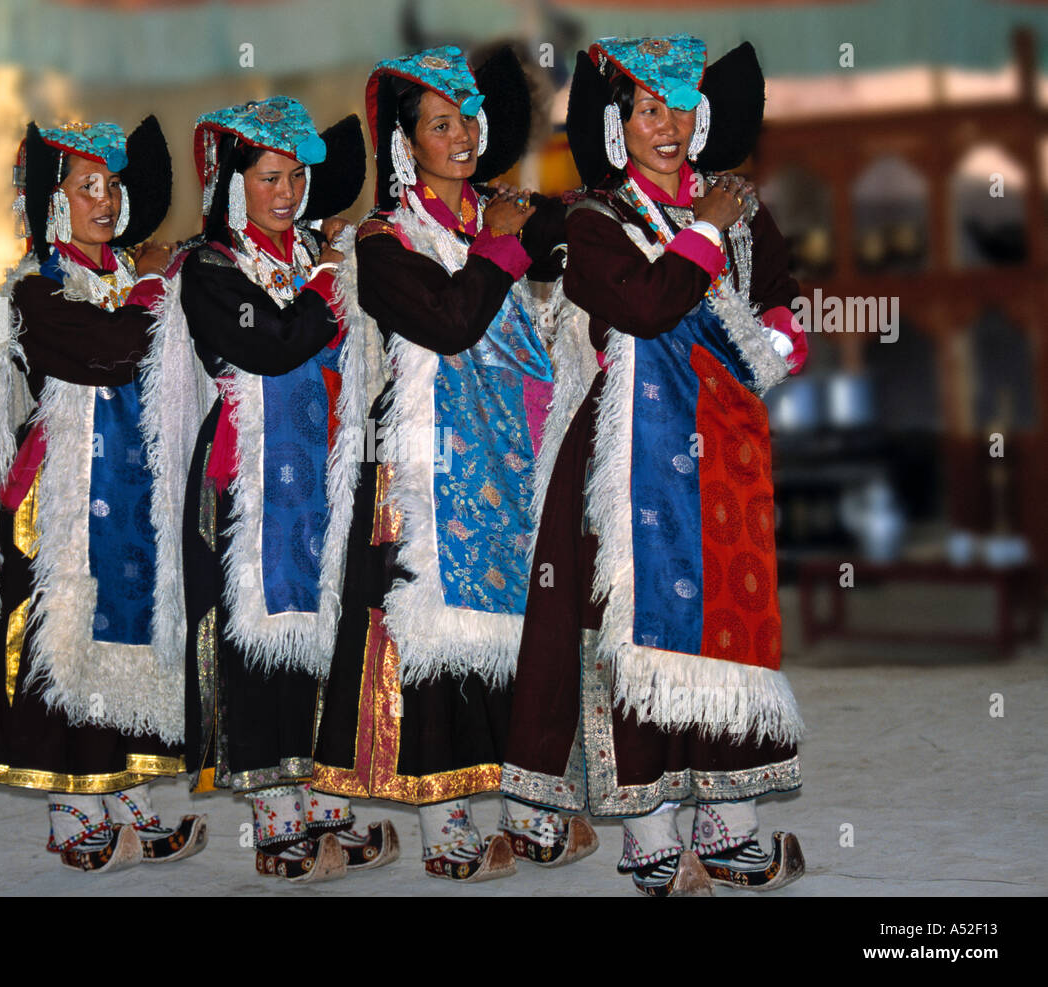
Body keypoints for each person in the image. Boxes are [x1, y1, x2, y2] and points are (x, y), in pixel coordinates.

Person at [500, 36, 809, 896]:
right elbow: (643, 305)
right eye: (646, 109)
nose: (666, 125)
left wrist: (783, 333)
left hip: (725, 454)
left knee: (725, 623)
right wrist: (708, 225)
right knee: (634, 638)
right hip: (621, 459)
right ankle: (647, 831)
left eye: (679, 106)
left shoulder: (744, 208)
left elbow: (778, 289)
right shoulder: (595, 220)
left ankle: (727, 819)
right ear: (618, 124)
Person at [310, 45, 589, 882]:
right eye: (440, 124)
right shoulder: (381, 241)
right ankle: (448, 830)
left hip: (515, 463)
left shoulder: (502, 214)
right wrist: (502, 248)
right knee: (429, 648)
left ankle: (532, 812)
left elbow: (578, 243)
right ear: (407, 145)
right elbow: (445, 319)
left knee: (518, 638)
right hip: (426, 472)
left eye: (467, 118)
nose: (463, 135)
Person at [0, 118, 211, 872]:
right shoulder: (36, 288)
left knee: (134, 640)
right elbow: (107, 353)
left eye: (113, 186)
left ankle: (129, 790)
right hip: (62, 497)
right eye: (86, 186)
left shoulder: (140, 276)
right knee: (59, 638)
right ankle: (72, 808)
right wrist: (159, 285)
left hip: (140, 490)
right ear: (55, 202)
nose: (104, 200)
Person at [173, 96, 398, 882]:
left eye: (297, 176)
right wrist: (330, 275)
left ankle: (326, 800)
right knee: (261, 641)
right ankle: (277, 820)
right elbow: (271, 343)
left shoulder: (316, 252)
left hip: (326, 472)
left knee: (327, 631)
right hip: (247, 484)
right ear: (235, 185)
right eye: (270, 177)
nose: (288, 192)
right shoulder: (207, 268)